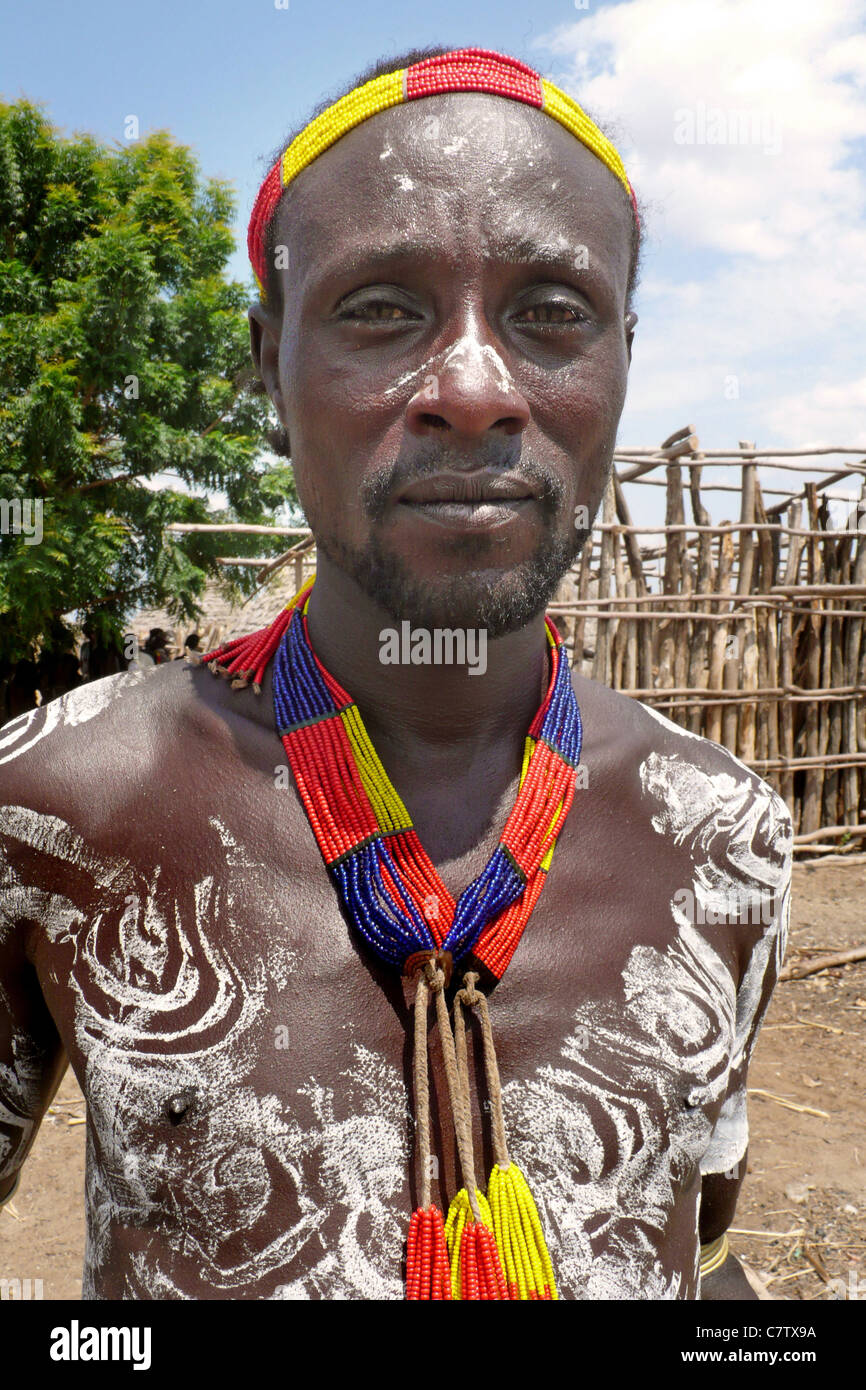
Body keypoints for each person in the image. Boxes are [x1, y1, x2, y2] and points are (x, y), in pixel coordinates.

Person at [0, 45, 791, 1301]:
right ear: (268, 368)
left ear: (623, 364)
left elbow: (703, 1261)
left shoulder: (721, 832)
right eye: (380, 307)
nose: (472, 390)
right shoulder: (58, 800)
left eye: (551, 312)